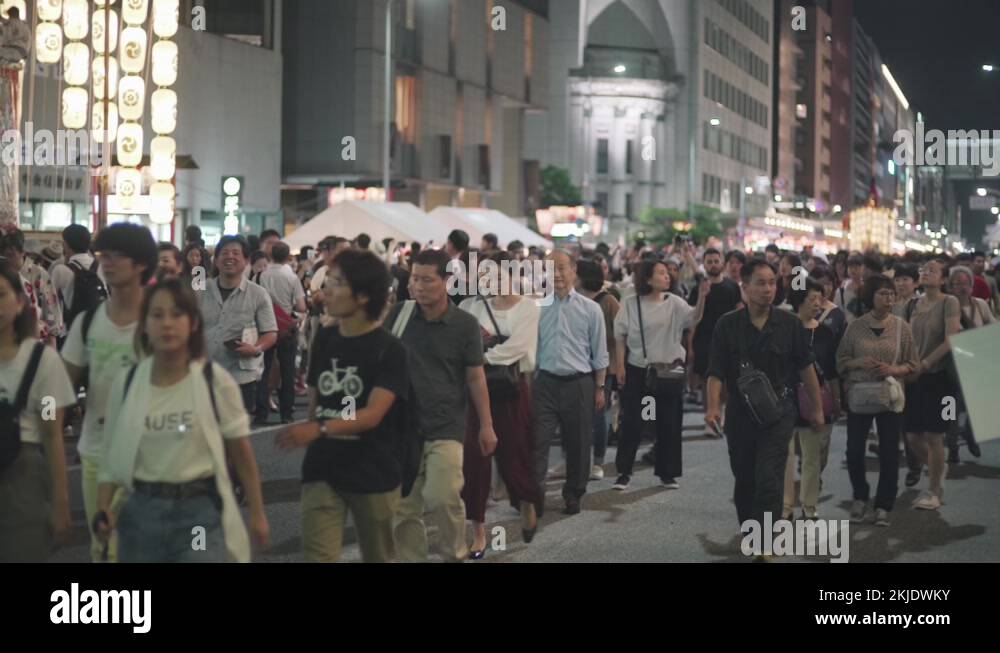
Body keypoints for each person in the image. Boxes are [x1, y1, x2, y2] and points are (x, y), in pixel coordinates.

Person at [94, 278, 270, 562]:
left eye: (177, 314)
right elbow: (110, 456)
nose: (167, 324)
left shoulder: (216, 382)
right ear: (145, 325)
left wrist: (258, 514)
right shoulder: (126, 383)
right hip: (140, 514)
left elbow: (242, 453)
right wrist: (103, 509)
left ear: (193, 323)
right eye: (157, 315)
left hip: (199, 513)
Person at [275, 250, 408, 562]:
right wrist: (314, 432)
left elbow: (373, 415)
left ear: (362, 295)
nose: (326, 291)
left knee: (379, 557)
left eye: (336, 283)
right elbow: (316, 399)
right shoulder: (326, 338)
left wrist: (318, 429)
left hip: (373, 470)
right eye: (327, 282)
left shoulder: (390, 349)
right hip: (324, 468)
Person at [388, 249, 496, 562]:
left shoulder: (464, 324)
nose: (418, 286)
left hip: (446, 424)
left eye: (427, 280)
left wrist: (487, 426)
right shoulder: (398, 315)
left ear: (447, 280)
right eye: (414, 279)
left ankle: (455, 554)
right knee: (403, 506)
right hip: (402, 428)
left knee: (443, 495)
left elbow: (476, 378)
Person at [705, 259, 825, 537]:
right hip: (740, 413)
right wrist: (713, 408)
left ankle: (766, 538)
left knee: (769, 477)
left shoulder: (789, 324)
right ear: (744, 287)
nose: (768, 289)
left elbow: (806, 368)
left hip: (779, 413)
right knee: (744, 477)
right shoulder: (727, 325)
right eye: (760, 283)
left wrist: (817, 408)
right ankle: (750, 530)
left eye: (772, 283)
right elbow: (715, 372)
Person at [61, 223, 158, 562]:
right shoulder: (87, 323)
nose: (108, 263)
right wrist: (45, 425)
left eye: (118, 256)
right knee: (104, 548)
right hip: (97, 455)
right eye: (105, 255)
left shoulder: (163, 322)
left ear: (142, 264)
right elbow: (58, 390)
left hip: (151, 457)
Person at [458, 251, 543, 556]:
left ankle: (526, 501)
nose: (489, 281)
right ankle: (478, 530)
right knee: (474, 460)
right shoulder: (470, 307)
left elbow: (519, 348)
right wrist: (473, 364)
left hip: (512, 390)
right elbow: (460, 345)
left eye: (495, 274)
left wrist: (478, 359)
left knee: (515, 453)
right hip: (476, 391)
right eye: (484, 276)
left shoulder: (528, 308)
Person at [0, 261, 75, 562]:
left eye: (1, 295)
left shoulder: (42, 362)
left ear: (20, 302)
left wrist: (60, 502)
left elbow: (50, 434)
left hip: (21, 478)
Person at [613, 259, 707, 490]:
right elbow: (620, 335)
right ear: (647, 278)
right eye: (662, 273)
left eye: (668, 273)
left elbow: (694, 317)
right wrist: (620, 366)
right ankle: (624, 471)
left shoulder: (674, 303)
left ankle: (667, 472)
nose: (668, 277)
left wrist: (703, 296)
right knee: (634, 422)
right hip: (639, 370)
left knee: (669, 423)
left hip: (669, 371)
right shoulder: (631, 303)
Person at [836, 275, 917, 526]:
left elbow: (913, 363)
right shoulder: (856, 327)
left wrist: (893, 370)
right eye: (883, 293)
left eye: (891, 294)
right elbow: (841, 361)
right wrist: (858, 362)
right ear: (870, 296)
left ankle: (884, 504)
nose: (889, 298)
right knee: (855, 450)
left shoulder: (902, 327)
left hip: (890, 395)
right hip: (861, 394)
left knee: (890, 452)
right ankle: (860, 496)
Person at [534, 250, 609, 515]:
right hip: (545, 383)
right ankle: (534, 496)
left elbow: (600, 353)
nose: (556, 274)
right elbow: (534, 348)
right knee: (537, 441)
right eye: (551, 268)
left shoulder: (591, 309)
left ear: (574, 270)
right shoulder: (538, 307)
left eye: (562, 268)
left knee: (578, 443)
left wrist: (600, 387)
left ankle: (574, 494)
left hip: (579, 383)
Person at [902, 259, 961, 511]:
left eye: (932, 271)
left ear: (943, 279)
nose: (926, 273)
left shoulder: (949, 302)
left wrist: (924, 364)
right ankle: (937, 469)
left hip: (937, 376)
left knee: (935, 434)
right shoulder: (911, 304)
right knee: (912, 435)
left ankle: (934, 490)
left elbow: (951, 341)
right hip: (913, 376)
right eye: (923, 269)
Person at [782, 278, 842, 521]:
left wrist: (837, 400)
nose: (818, 303)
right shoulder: (784, 327)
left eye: (820, 297)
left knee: (811, 457)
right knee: (785, 458)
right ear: (799, 301)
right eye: (812, 298)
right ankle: (785, 507)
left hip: (814, 400)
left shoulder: (825, 332)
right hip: (785, 398)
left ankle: (809, 505)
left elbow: (832, 369)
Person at [197, 235, 278, 414]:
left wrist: (256, 348)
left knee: (237, 434)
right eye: (224, 253)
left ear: (246, 261)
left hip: (241, 376)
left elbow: (270, 332)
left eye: (236, 253)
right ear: (216, 260)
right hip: (203, 373)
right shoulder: (201, 290)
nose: (230, 257)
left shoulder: (258, 294)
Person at [688, 248, 742, 434]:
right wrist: (690, 345)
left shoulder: (732, 287)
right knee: (706, 381)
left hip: (729, 340)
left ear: (722, 263)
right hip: (704, 340)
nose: (712, 264)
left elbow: (739, 313)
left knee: (726, 381)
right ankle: (709, 419)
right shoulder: (698, 289)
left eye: (715, 261)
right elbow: (693, 318)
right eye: (709, 261)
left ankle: (722, 414)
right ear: (704, 264)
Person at [945, 265, 994, 462]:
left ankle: (970, 432)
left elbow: (992, 327)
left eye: (966, 283)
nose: (962, 287)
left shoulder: (980, 305)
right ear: (950, 287)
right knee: (949, 407)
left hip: (974, 364)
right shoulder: (944, 306)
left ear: (972, 286)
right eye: (957, 284)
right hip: (948, 365)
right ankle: (951, 446)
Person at [577, 258, 620, 479]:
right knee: (576, 414)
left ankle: (598, 461)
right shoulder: (571, 300)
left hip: (605, 365)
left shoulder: (608, 301)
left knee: (598, 413)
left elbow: (623, 332)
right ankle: (575, 459)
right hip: (578, 363)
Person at [255, 242, 307, 425]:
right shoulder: (292, 278)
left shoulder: (261, 275)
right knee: (287, 371)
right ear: (287, 257)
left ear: (270, 255)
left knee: (264, 369)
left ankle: (261, 412)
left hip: (266, 326)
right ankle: (287, 413)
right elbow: (301, 306)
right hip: (286, 329)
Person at [0, 226, 62, 344]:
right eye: (5, 254)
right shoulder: (3, 274)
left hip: (34, 338)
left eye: (11, 254)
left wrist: (52, 347)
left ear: (23, 252)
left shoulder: (38, 274)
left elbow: (51, 310)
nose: (8, 258)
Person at [50, 224, 104, 336]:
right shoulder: (101, 268)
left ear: (66, 244)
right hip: (97, 330)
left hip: (71, 332)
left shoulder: (60, 270)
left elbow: (51, 303)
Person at [837, 254, 864, 320]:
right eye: (850, 267)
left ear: (863, 268)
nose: (853, 270)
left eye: (856, 267)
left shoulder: (868, 287)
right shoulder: (842, 289)